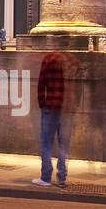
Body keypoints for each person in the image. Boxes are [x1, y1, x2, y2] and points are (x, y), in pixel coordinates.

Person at [33, 50, 72, 188]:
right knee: (63, 144)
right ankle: (62, 178)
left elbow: (41, 84)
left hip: (50, 106)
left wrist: (42, 104)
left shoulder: (48, 60)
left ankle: (46, 177)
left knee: (46, 142)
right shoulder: (69, 60)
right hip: (66, 108)